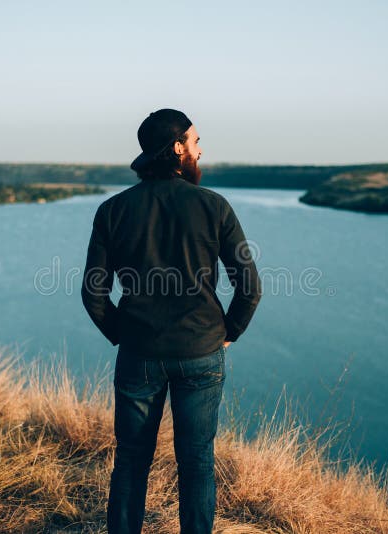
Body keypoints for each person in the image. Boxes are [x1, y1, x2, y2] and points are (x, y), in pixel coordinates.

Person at [81, 108, 262, 534]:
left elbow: (93, 292)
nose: (200, 151)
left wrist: (121, 334)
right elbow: (250, 286)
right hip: (201, 352)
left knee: (131, 459)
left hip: (138, 354)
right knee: (197, 461)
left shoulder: (113, 210)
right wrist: (229, 332)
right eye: (196, 143)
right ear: (178, 148)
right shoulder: (214, 206)